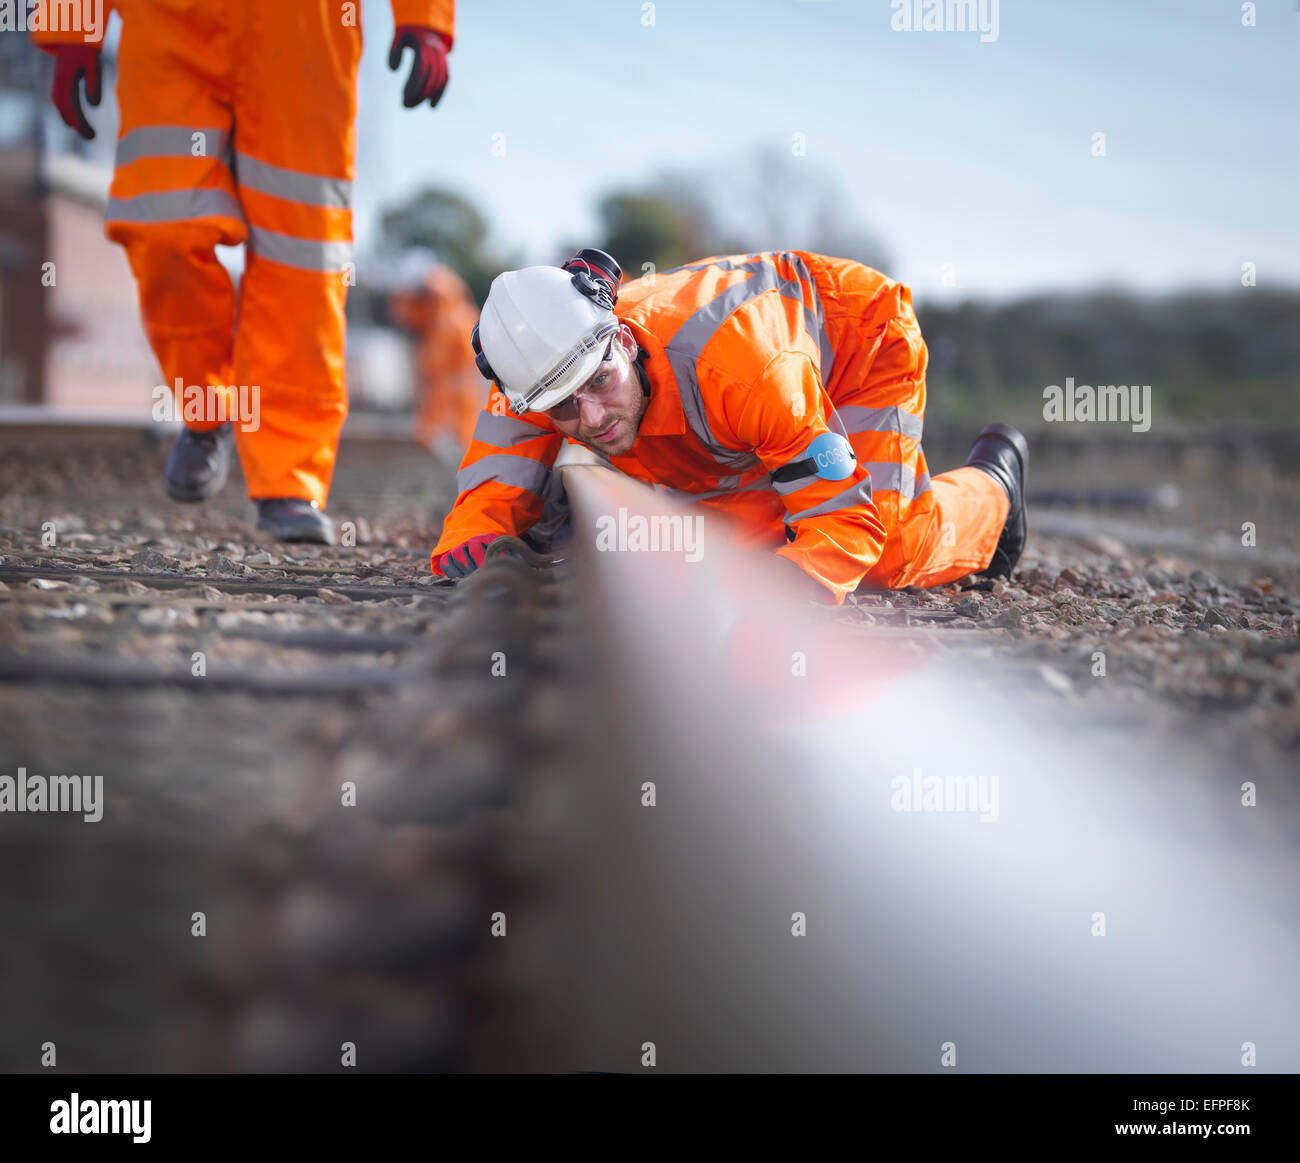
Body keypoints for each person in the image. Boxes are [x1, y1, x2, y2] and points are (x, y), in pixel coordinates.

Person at [34, 0, 456, 544]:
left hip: (305, 30)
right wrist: (72, 25)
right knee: (165, 228)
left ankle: (290, 479)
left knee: (301, 260)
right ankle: (206, 409)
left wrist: (426, 18)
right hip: (168, 23)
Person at [431, 249, 1027, 605]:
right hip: (753, 370)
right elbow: (497, 470)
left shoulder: (750, 374)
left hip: (859, 343)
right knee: (736, 538)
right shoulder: (537, 365)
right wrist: (474, 534)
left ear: (622, 340)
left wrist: (787, 597)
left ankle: (993, 490)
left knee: (886, 554)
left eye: (600, 384)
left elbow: (842, 518)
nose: (590, 418)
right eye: (561, 408)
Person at [386, 251, 484, 462]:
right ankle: (450, 441)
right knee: (444, 391)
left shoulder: (447, 319)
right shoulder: (438, 313)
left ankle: (459, 443)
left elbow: (449, 382)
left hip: (458, 357)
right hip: (454, 352)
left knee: (456, 392)